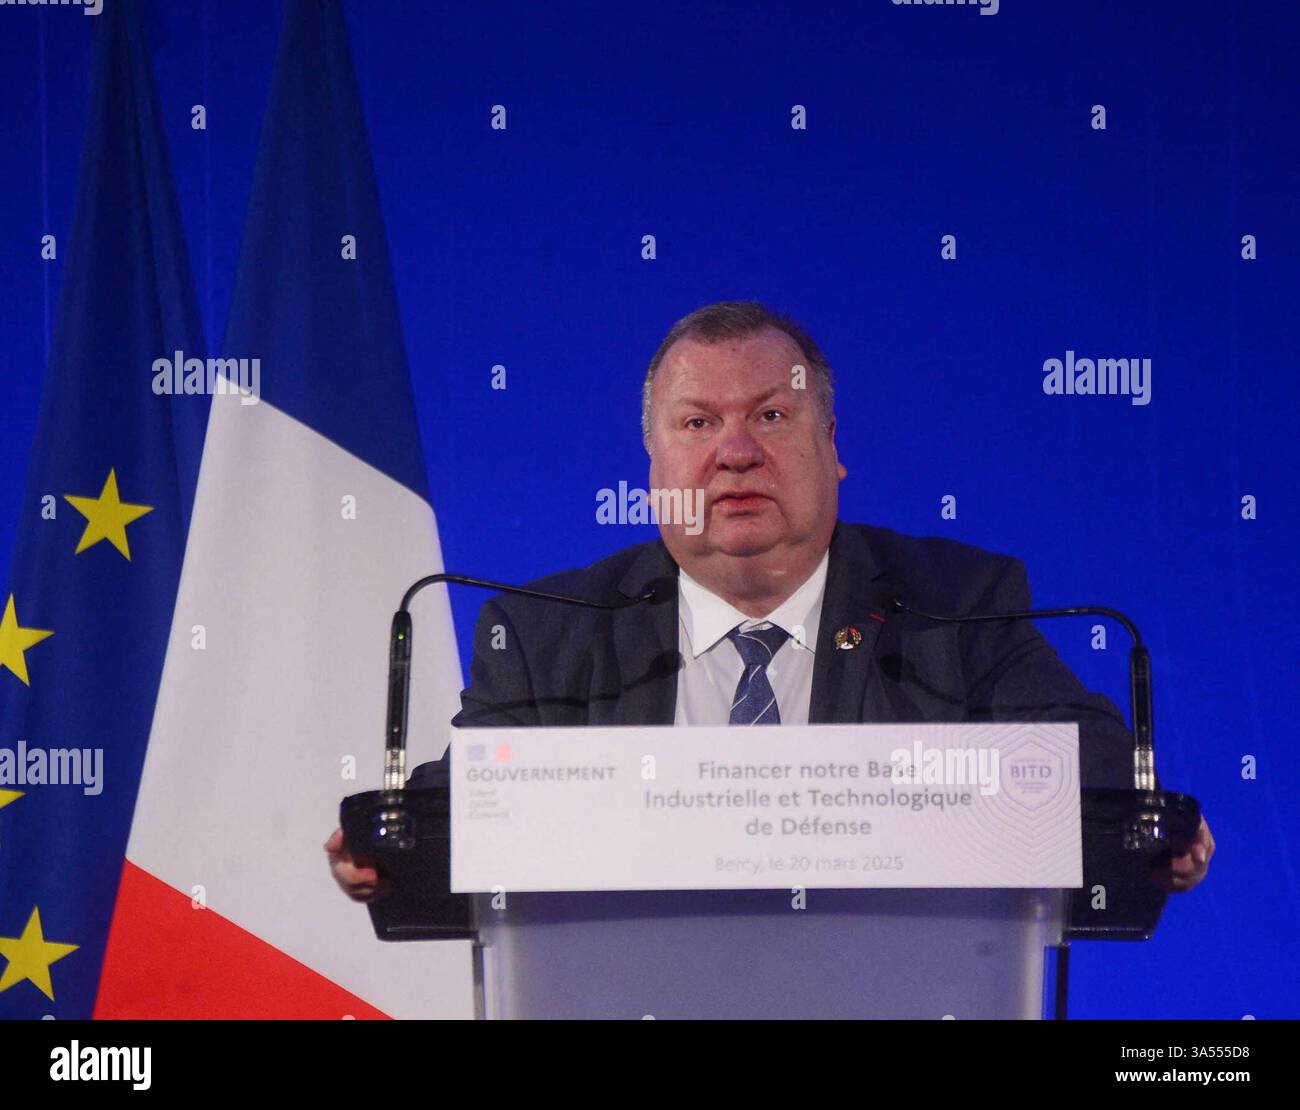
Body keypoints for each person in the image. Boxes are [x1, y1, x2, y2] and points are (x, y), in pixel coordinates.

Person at [326, 300, 1214, 901]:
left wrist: (1148, 828)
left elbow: (1086, 767)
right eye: (698, 423)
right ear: (653, 470)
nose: (736, 452)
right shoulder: (549, 630)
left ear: (833, 449)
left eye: (773, 417)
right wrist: (387, 845)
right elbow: (473, 804)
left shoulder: (958, 605)